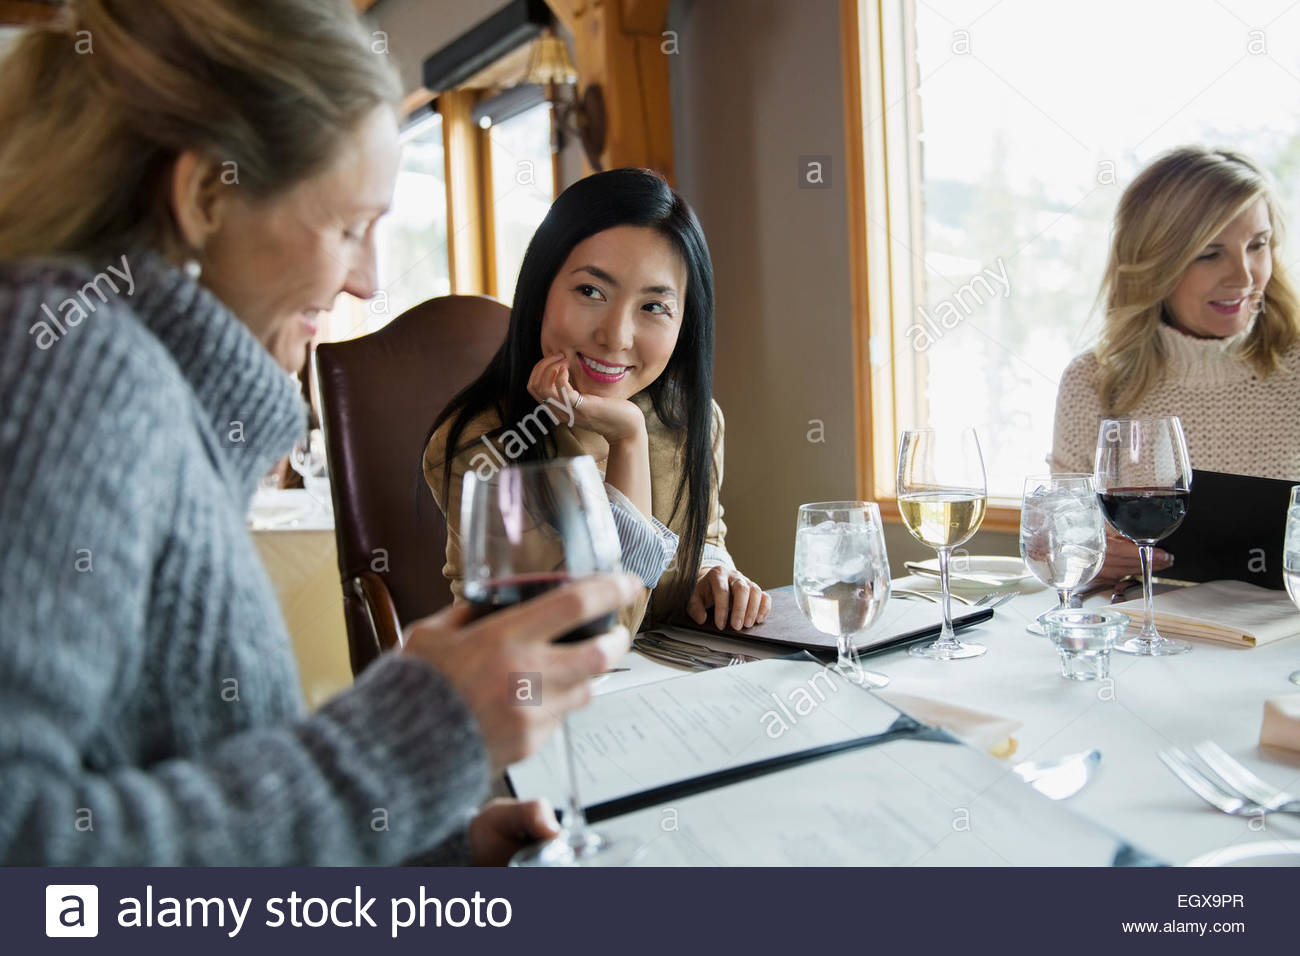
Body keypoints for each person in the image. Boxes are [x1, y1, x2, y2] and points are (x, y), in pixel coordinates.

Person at [0, 0, 635, 866]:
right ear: (204, 197)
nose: (369, 280)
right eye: (347, 228)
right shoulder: (70, 366)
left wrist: (413, 850)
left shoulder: (144, 381)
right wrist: (407, 745)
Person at [424, 169, 771, 634]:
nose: (616, 337)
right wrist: (628, 438)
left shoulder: (694, 421)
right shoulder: (480, 445)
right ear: (541, 289)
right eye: (590, 291)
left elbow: (703, 539)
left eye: (653, 307)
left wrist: (713, 574)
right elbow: (597, 634)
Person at [1050, 146, 1300, 581]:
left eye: (1257, 245)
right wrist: (1085, 558)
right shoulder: (1094, 382)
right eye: (1209, 253)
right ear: (1154, 263)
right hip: (1148, 640)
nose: (1243, 277)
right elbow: (1059, 544)